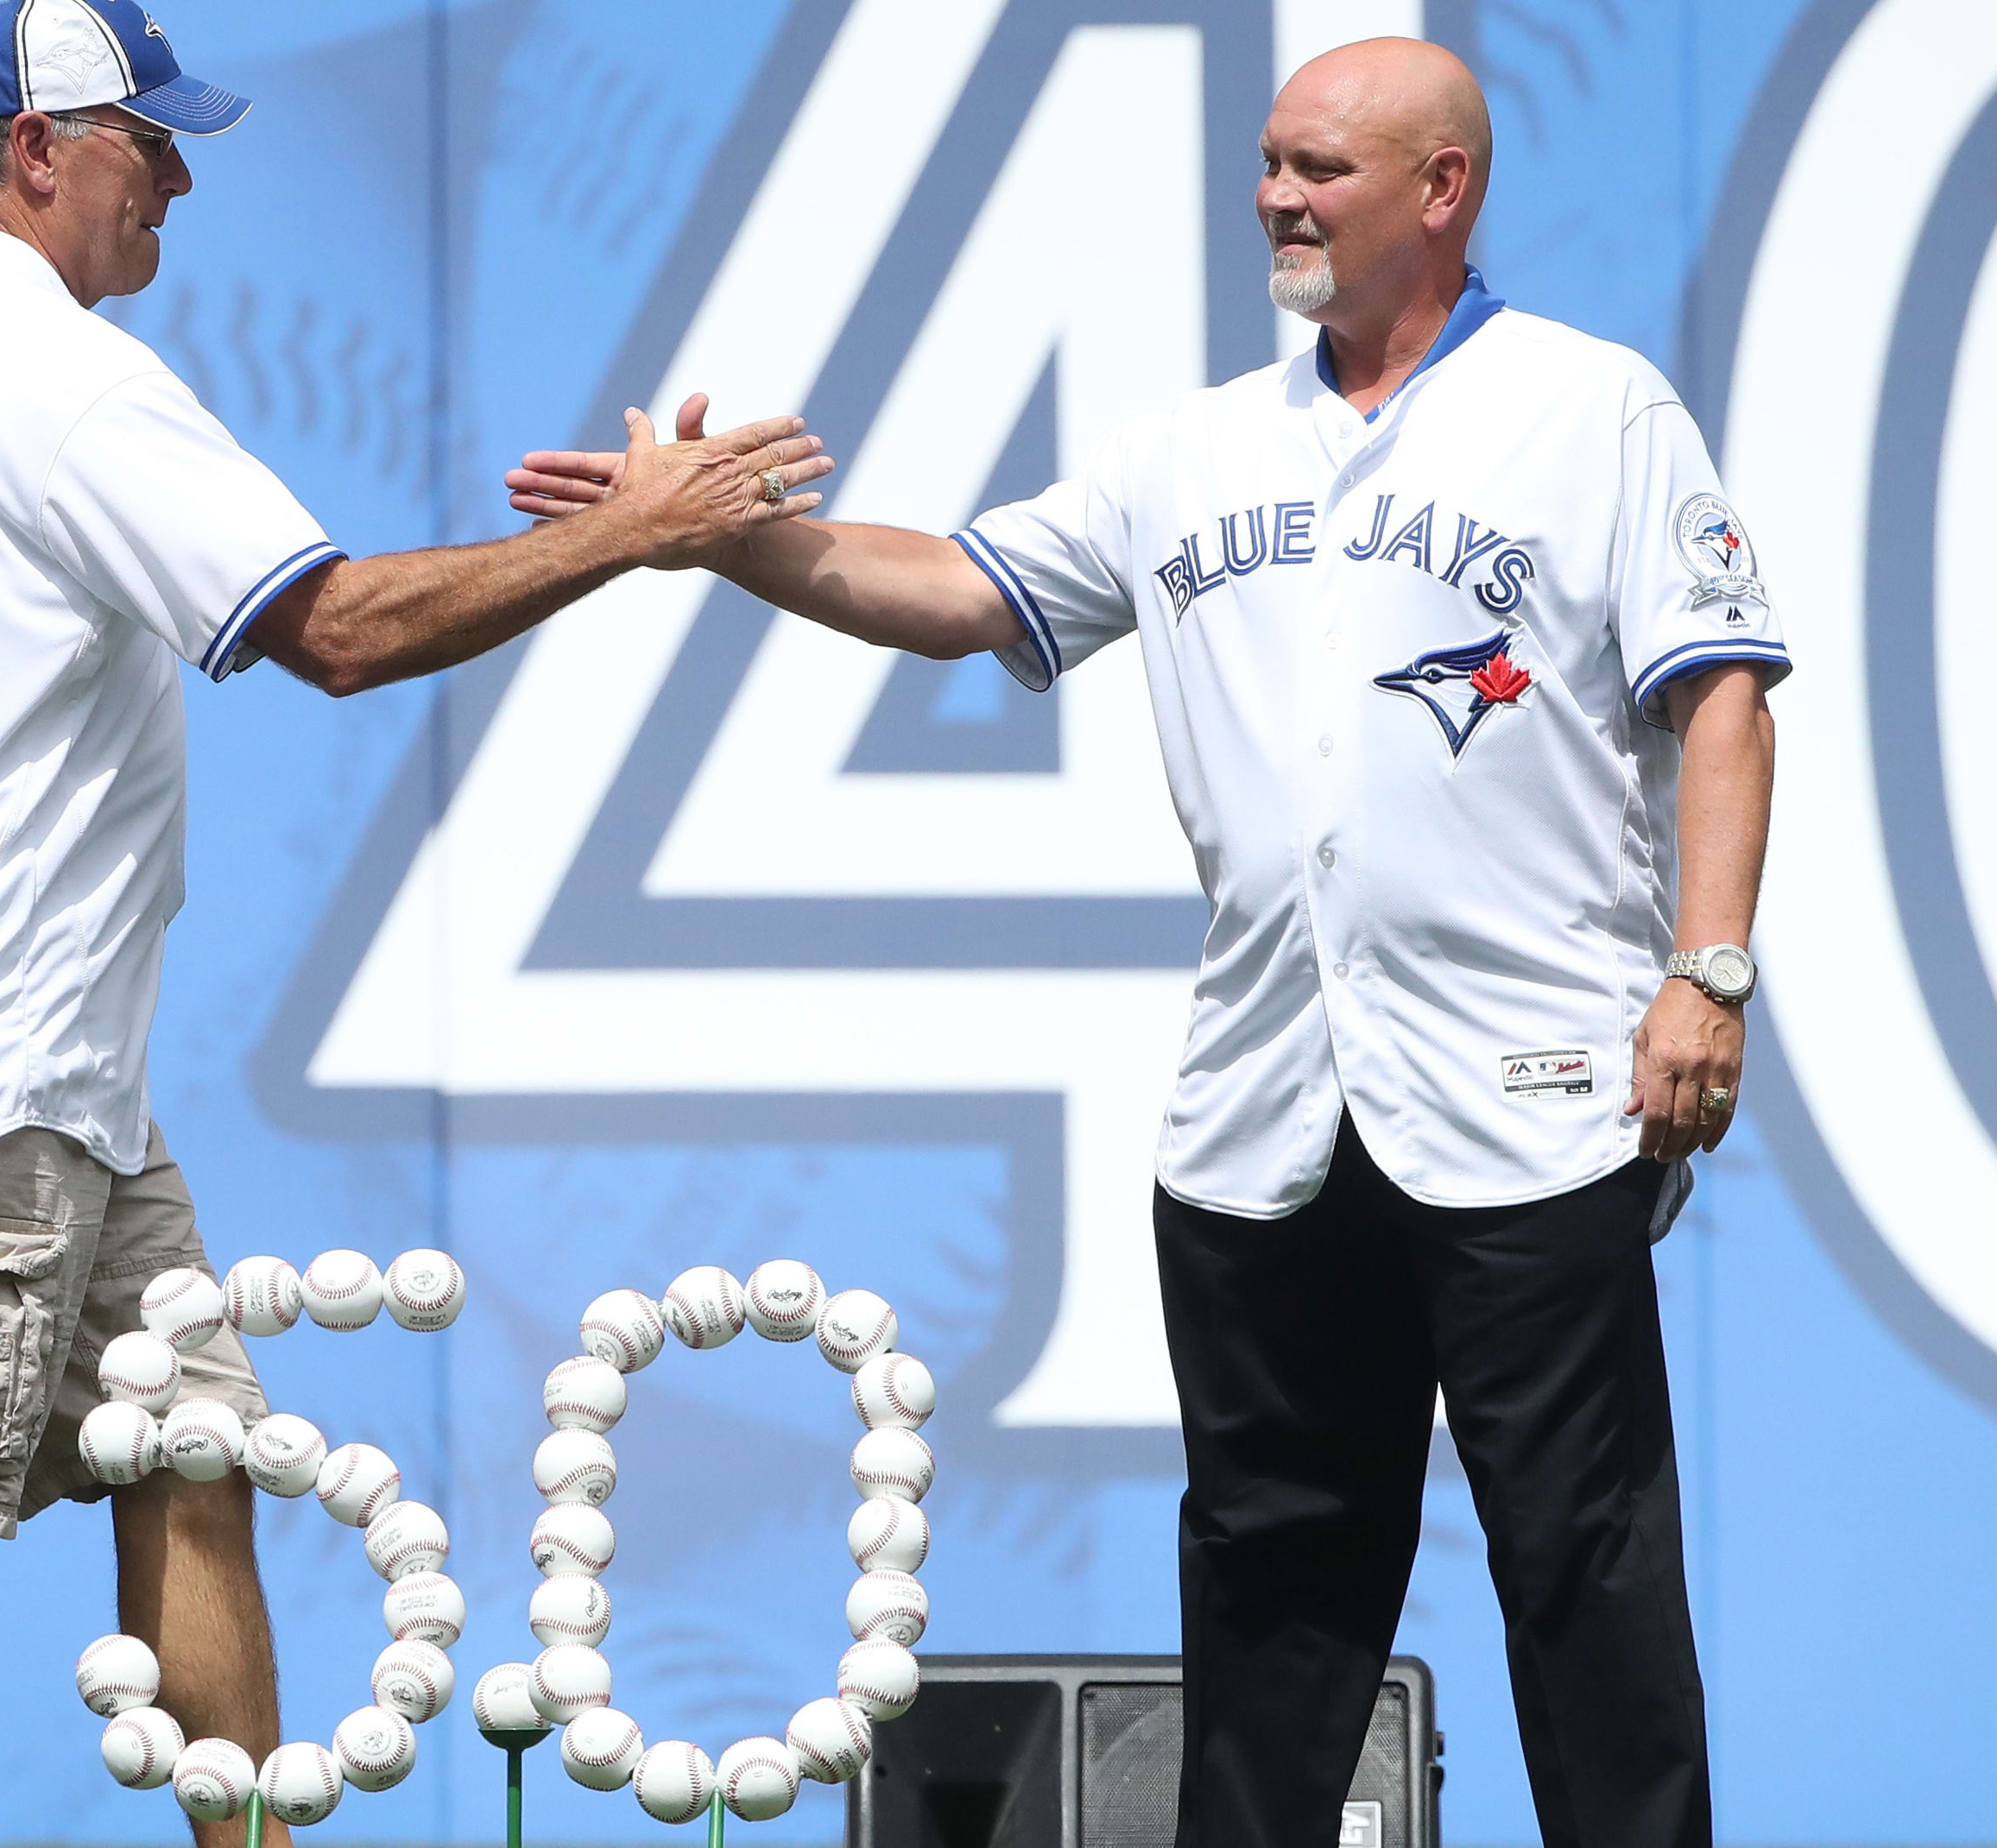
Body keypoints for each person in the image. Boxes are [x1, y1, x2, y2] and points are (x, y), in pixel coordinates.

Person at [508, 36, 1777, 1848]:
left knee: (1582, 1570)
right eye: (1268, 161)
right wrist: (714, 536)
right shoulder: (1191, 447)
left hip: (1534, 1093)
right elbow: (959, 590)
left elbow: (1720, 695)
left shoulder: (1594, 410)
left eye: (1320, 168)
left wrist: (1706, 970)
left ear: (1443, 188)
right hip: (1265, 1111)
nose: (1276, 197)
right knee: (1269, 1584)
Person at [0, 4, 828, 1844]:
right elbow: (337, 632)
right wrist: (631, 533)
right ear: (38, 150)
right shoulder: (64, 378)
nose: (179, 184)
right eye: (151, 144)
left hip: (45, 1076)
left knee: (194, 1449)